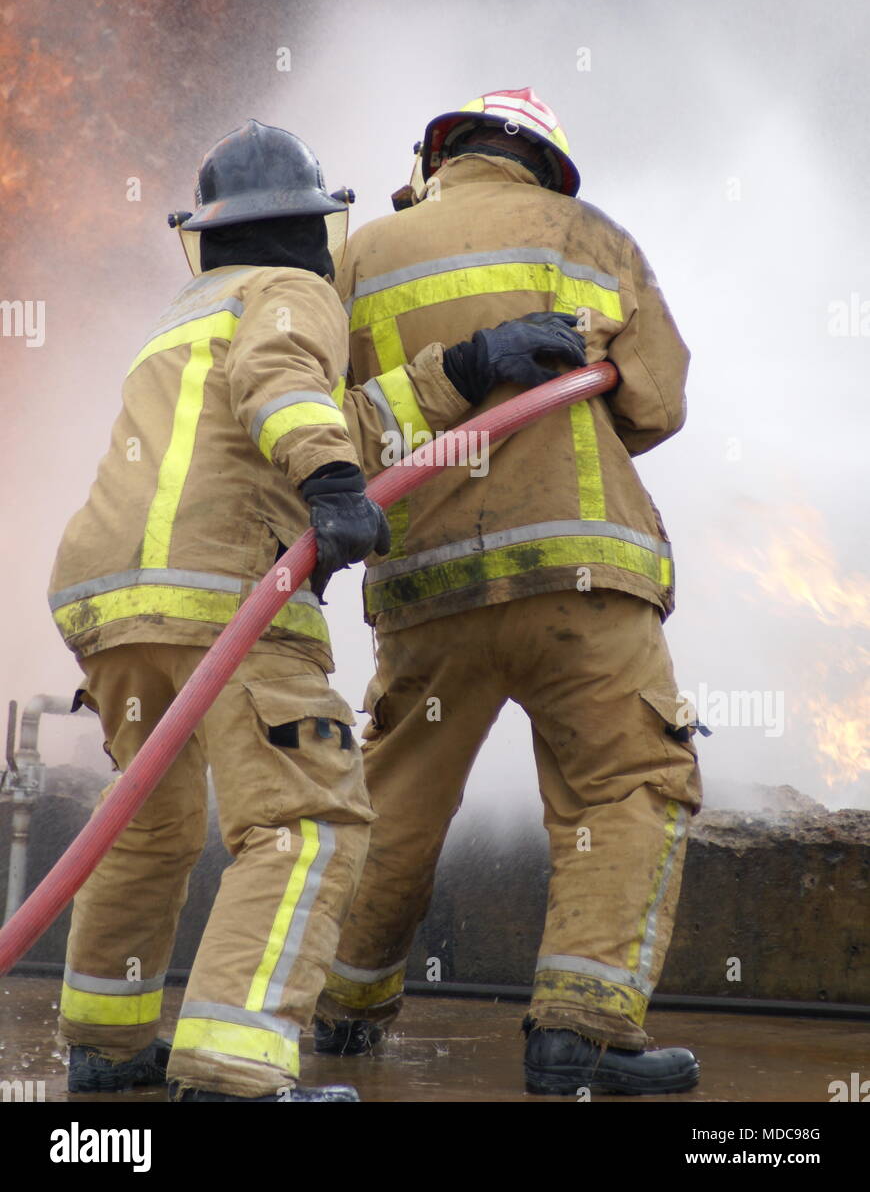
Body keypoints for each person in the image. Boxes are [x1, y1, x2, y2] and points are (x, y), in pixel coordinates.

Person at [47, 117, 586, 1102]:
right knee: (309, 821)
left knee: (148, 823)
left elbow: (330, 413)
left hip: (112, 602)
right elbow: (289, 390)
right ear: (314, 226)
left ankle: (106, 1044)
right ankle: (236, 1067)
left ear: (206, 232)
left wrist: (472, 366)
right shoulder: (289, 291)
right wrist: (335, 485)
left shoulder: (183, 319)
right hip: (225, 593)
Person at [313, 89, 706, 1096]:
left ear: (440, 155)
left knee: (394, 801)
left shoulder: (362, 254)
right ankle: (579, 1033)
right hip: (582, 580)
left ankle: (343, 1013)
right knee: (624, 784)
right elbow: (656, 400)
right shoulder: (591, 237)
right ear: (545, 165)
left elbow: (331, 429)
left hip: (428, 589)